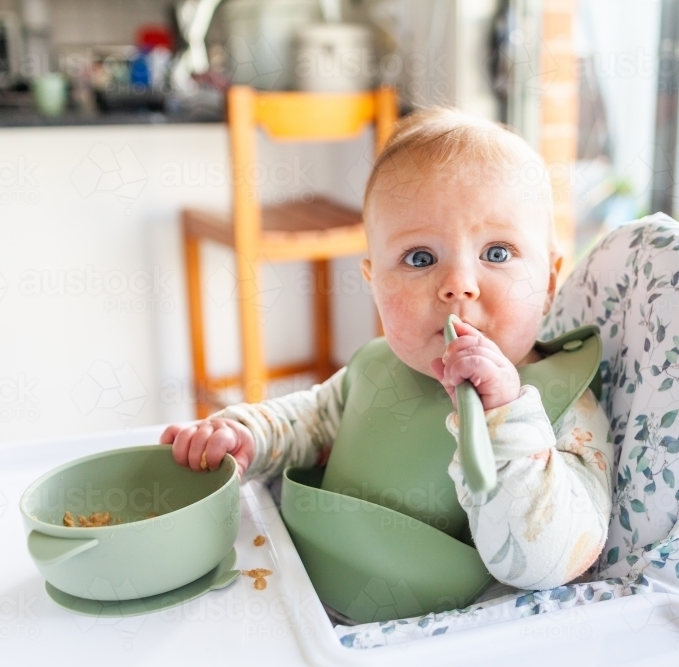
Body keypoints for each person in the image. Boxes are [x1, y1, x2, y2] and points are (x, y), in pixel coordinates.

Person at [160, 107, 614, 598]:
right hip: (295, 595)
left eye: (497, 253)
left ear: (548, 282)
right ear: (374, 284)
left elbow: (550, 563)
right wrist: (247, 434)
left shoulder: (562, 404)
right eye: (420, 258)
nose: (458, 285)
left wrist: (506, 420)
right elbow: (308, 421)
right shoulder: (376, 365)